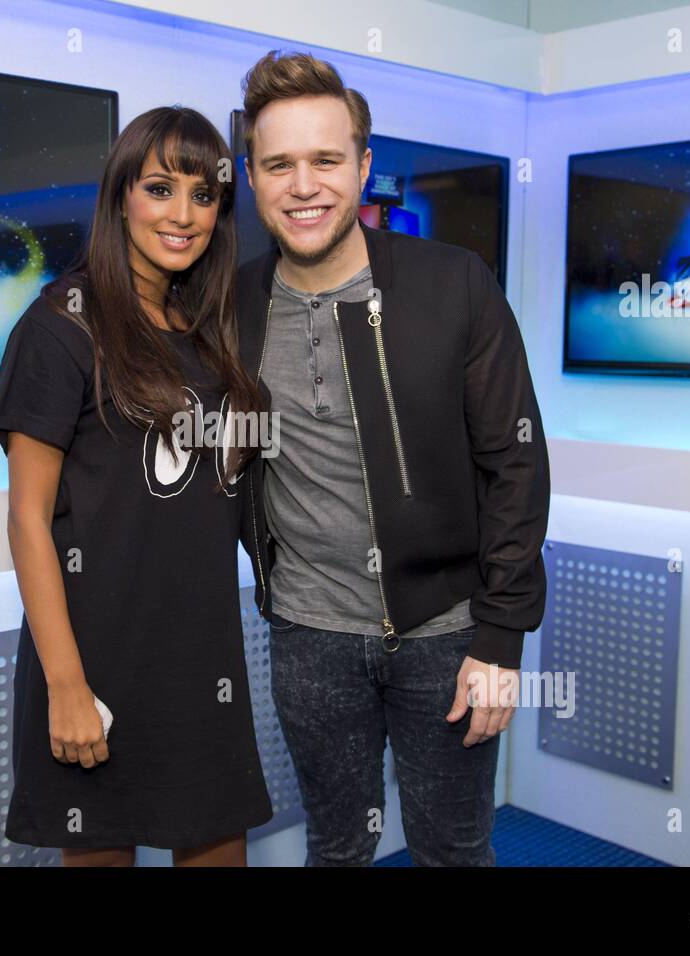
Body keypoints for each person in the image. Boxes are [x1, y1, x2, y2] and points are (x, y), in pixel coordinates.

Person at [235, 51, 551, 866]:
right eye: (280, 164)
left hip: (450, 635)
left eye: (325, 160)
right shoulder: (230, 304)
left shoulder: (455, 284)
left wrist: (503, 639)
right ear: (254, 176)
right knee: (338, 850)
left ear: (364, 166)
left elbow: (515, 466)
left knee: (452, 851)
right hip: (308, 635)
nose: (303, 185)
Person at [0, 106, 273, 866]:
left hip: (200, 660)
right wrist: (66, 684)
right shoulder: (60, 326)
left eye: (203, 195)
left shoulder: (206, 331)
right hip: (95, 658)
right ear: (120, 198)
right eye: (159, 188)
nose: (183, 214)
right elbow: (26, 521)